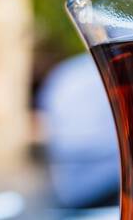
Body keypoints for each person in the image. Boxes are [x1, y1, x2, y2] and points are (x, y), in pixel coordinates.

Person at [38, 54, 120, 208]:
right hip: (110, 179)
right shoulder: (115, 68)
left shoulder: (64, 72)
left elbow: (48, 122)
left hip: (67, 183)